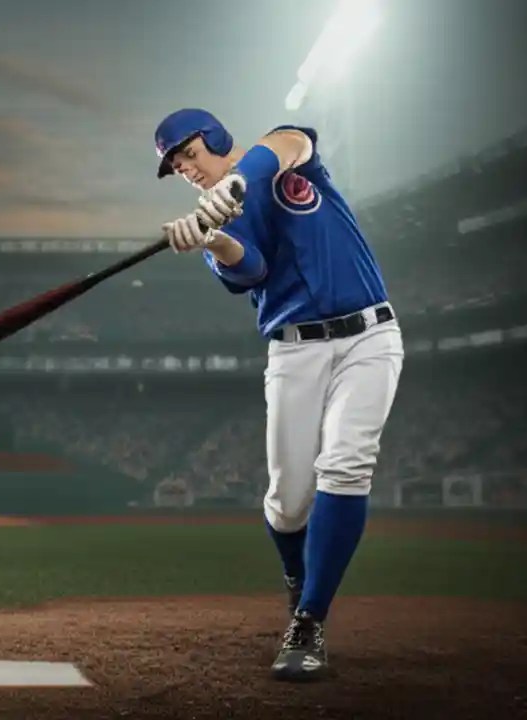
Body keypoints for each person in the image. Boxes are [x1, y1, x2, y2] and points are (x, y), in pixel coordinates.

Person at [155, 108, 404, 682]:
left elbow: (287, 144)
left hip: (371, 335)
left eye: (188, 154)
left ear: (215, 137)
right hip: (295, 350)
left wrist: (239, 183)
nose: (186, 169)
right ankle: (298, 577)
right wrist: (213, 238)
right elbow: (253, 270)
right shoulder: (216, 212)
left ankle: (309, 621)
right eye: (175, 166)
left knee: (345, 466)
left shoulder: (279, 154)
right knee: (289, 502)